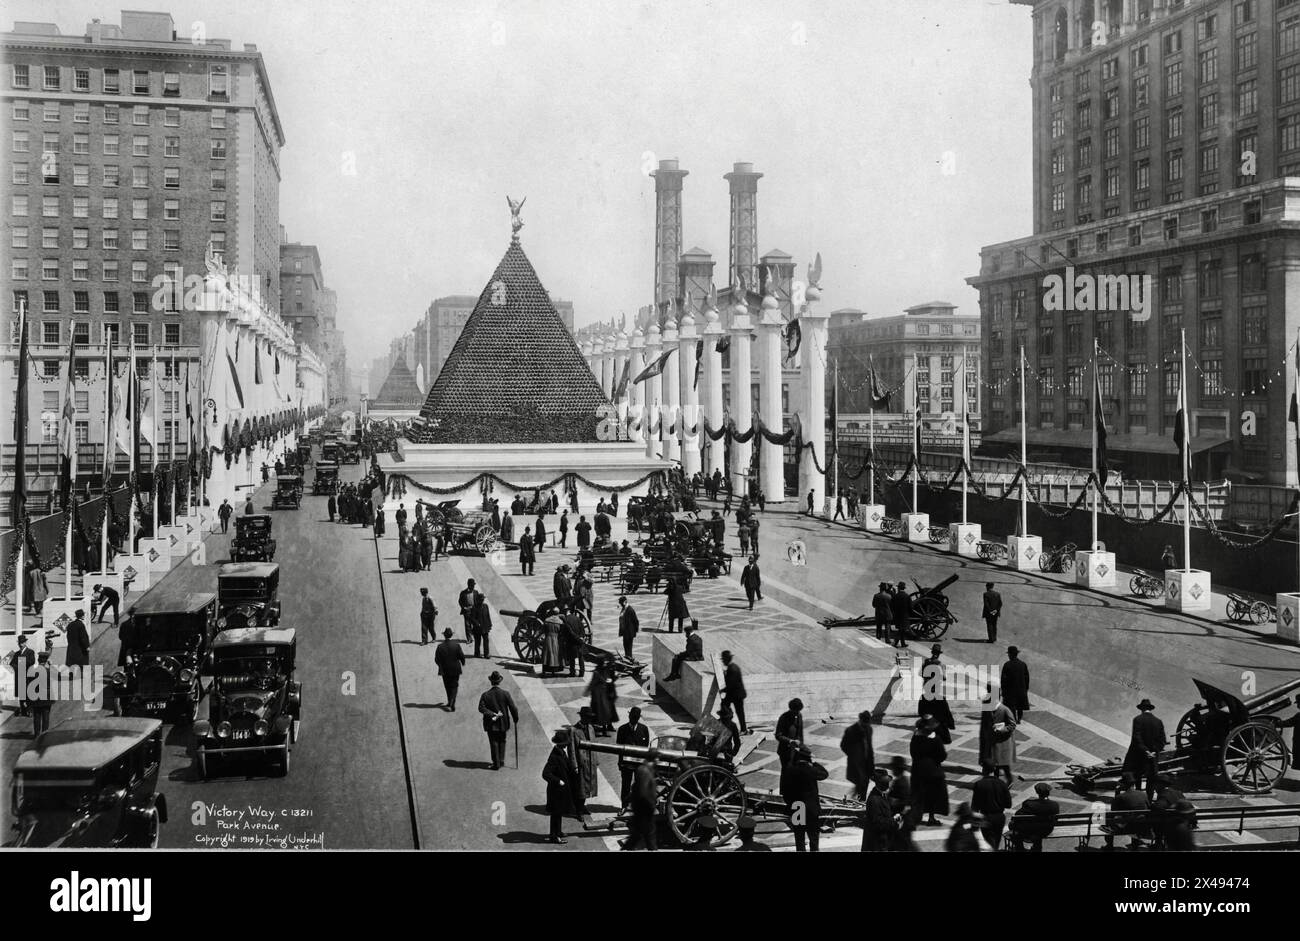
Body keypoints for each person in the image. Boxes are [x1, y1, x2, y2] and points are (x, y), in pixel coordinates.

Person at [781, 744, 829, 852]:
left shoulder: (789, 770)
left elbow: (785, 793)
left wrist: (791, 804)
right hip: (811, 810)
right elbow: (825, 774)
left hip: (797, 809)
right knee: (813, 839)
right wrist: (814, 763)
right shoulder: (811, 770)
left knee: (799, 839)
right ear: (808, 758)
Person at [1122, 698, 1167, 800]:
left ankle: (1138, 799)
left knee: (1137, 778)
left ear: (1141, 709)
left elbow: (1136, 738)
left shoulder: (1137, 719)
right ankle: (1149, 801)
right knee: (1151, 780)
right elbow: (1163, 740)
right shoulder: (1158, 721)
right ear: (1150, 709)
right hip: (1153, 757)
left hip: (1139, 756)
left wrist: (1146, 751)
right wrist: (1154, 752)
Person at [910, 716, 949, 826]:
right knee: (932, 795)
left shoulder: (916, 737)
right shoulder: (935, 739)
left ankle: (916, 816)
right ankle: (931, 818)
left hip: (918, 769)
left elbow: (912, 752)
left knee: (918, 794)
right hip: (933, 771)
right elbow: (942, 755)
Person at [477, 671, 518, 770]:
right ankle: (501, 760)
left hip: (491, 723)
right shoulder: (505, 694)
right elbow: (513, 708)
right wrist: (515, 718)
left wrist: (492, 714)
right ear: (499, 682)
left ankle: (496, 763)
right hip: (503, 722)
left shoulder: (485, 695)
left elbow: (481, 708)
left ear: (491, 682)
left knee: (493, 742)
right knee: (502, 740)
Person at [542, 729, 578, 844]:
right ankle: (554, 836)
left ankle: (558, 832)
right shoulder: (554, 756)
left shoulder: (561, 752)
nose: (567, 745)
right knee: (555, 814)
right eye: (565, 743)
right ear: (560, 744)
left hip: (561, 791)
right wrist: (558, 781)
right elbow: (546, 773)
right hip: (556, 791)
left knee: (559, 812)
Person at [978, 685, 1017, 784]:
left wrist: (1002, 729)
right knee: (994, 763)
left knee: (1003, 764)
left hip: (1003, 743)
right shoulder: (987, 709)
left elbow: (1012, 724)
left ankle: (1009, 780)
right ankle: (996, 781)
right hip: (992, 742)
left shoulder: (1004, 710)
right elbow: (985, 724)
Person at [1104, 773, 1152, 850]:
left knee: (1107, 819)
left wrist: (1117, 793)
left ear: (1123, 784)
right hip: (1143, 827)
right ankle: (1135, 846)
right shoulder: (1143, 794)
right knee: (1136, 818)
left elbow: (1113, 813)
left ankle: (1109, 846)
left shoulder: (1120, 797)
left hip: (1128, 828)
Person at [971, 762, 1012, 850]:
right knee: (996, 841)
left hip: (985, 817)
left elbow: (975, 806)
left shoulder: (979, 784)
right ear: (994, 770)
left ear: (983, 770)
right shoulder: (1002, 784)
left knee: (989, 841)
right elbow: (1008, 804)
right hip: (999, 817)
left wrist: (974, 824)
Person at [623, 748, 659, 851]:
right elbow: (643, 792)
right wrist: (651, 805)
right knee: (647, 836)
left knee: (639, 836)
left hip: (641, 809)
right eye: (657, 758)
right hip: (644, 810)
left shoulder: (644, 768)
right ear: (654, 758)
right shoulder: (645, 770)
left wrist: (628, 798)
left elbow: (636, 787)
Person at [1008, 782, 1060, 852]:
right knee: (1039, 827)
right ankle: (1036, 848)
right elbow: (1055, 819)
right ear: (1048, 793)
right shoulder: (1055, 805)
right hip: (1046, 830)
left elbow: (1017, 815)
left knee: (1013, 826)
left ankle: (1020, 849)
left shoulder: (1029, 803)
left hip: (1029, 830)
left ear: (1037, 792)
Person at [615, 706, 650, 807]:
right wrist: (620, 763)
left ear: (639, 718)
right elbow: (619, 749)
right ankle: (624, 806)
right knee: (625, 786)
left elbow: (645, 747)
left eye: (636, 717)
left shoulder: (644, 729)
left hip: (639, 764)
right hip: (626, 764)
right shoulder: (622, 729)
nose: (634, 719)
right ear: (629, 716)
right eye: (632, 717)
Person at [918, 644, 955, 734]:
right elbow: (944, 677)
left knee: (927, 705)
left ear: (932, 652)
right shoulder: (939, 664)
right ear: (938, 654)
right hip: (935, 688)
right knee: (941, 706)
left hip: (927, 688)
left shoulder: (926, 661)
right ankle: (948, 724)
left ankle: (927, 723)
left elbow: (921, 674)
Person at [569, 707, 598, 818]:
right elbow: (571, 749)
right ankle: (579, 810)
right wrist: (574, 765)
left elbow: (594, 744)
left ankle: (582, 806)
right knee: (580, 788)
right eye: (587, 717)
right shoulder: (573, 730)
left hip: (591, 762)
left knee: (588, 787)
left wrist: (596, 760)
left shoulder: (591, 728)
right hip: (581, 763)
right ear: (582, 717)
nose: (589, 719)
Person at [840, 710, 875, 799]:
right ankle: (858, 800)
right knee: (860, 782)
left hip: (867, 762)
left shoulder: (869, 729)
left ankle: (860, 799)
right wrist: (853, 755)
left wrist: (871, 763)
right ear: (861, 720)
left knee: (864, 782)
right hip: (856, 763)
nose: (867, 725)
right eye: (865, 723)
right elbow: (843, 745)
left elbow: (870, 746)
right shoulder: (851, 730)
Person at [861, 768, 897, 852]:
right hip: (877, 843)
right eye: (885, 783)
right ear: (878, 784)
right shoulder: (874, 800)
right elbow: (878, 823)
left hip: (882, 841)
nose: (888, 785)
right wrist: (893, 820)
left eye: (887, 782)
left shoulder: (881, 795)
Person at [434, 627, 465, 710]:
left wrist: (441, 665)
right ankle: (452, 701)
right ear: (451, 635)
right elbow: (461, 656)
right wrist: (463, 662)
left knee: (447, 686)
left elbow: (436, 659)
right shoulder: (456, 645)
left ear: (444, 636)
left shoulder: (440, 647)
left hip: (445, 670)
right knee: (454, 685)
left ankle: (449, 701)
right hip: (455, 669)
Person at [587, 657, 619, 735]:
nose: (604, 664)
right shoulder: (597, 672)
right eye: (603, 662)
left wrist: (614, 678)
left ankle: (609, 726)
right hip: (600, 695)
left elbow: (609, 678)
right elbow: (593, 683)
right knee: (603, 712)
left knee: (610, 710)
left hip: (607, 693)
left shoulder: (605, 669)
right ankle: (604, 729)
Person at [6, 634, 35, 717]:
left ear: (25, 643)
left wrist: (21, 663)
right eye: (19, 643)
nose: (20, 644)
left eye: (22, 643)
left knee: (28, 694)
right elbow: (12, 664)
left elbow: (31, 662)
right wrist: (17, 666)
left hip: (28, 676)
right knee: (21, 694)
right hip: (20, 676)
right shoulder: (16, 653)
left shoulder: (30, 652)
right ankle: (23, 710)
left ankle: (30, 710)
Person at [1000, 646, 1030, 723]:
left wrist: (1003, 690)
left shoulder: (1007, 665)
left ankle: (1013, 718)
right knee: (1020, 705)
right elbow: (1027, 678)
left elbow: (1003, 679)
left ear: (1010, 655)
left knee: (1011, 705)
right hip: (1021, 689)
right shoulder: (1023, 664)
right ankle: (1019, 719)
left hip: (1011, 690)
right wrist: (1026, 688)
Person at [721, 650, 748, 734]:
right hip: (735, 694)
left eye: (723, 660)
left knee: (736, 711)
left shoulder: (732, 669)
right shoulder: (732, 667)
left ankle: (741, 729)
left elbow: (731, 684)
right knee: (728, 707)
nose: (723, 661)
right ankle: (739, 728)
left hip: (736, 695)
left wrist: (723, 690)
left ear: (726, 659)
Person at [775, 697, 805, 767]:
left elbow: (800, 733)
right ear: (791, 709)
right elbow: (778, 735)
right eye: (795, 712)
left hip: (795, 751)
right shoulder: (783, 718)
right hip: (785, 751)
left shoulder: (799, 715)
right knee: (786, 773)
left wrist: (802, 747)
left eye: (798, 711)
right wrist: (790, 741)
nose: (796, 714)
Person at [562, 603, 587, 678]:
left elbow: (567, 633)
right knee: (580, 658)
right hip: (580, 641)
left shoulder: (566, 620)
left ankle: (572, 672)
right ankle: (582, 672)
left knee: (571, 658)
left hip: (572, 642)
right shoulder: (577, 618)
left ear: (565, 611)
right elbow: (582, 629)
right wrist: (581, 637)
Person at [470, 591, 493, 659]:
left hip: (485, 627)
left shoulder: (486, 606)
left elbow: (488, 616)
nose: (482, 600)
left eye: (483, 599)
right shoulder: (474, 607)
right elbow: (472, 618)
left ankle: (486, 654)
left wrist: (490, 624)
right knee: (478, 641)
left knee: (486, 641)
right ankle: (477, 653)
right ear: (478, 600)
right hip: (477, 628)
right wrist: (477, 624)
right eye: (481, 599)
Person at [890, 581, 912, 648]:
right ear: (904, 588)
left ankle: (902, 643)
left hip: (897, 616)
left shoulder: (896, 596)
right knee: (902, 630)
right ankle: (896, 643)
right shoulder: (907, 596)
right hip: (905, 616)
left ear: (898, 588)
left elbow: (892, 606)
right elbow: (910, 607)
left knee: (901, 630)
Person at [617, 595, 638, 660]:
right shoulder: (624, 609)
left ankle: (629, 659)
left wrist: (634, 632)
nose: (620, 605)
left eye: (621, 603)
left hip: (629, 632)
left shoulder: (630, 610)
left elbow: (636, 621)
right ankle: (627, 658)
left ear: (625, 602)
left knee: (629, 647)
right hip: (625, 632)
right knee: (625, 646)